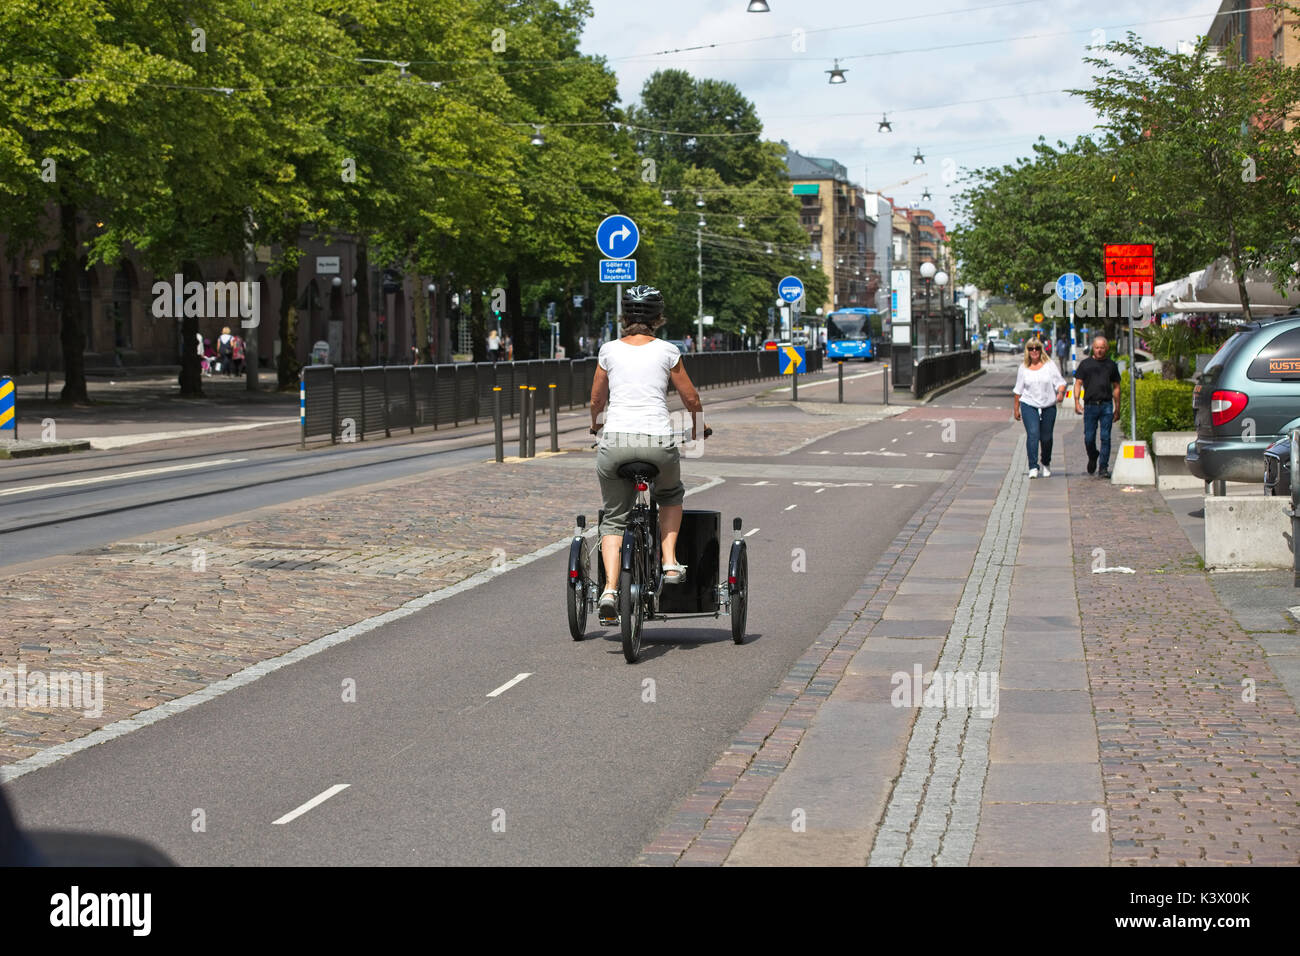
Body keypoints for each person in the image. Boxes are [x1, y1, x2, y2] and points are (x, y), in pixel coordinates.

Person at [590, 285, 707, 623]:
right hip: (658, 442)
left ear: (624, 317)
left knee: (613, 518)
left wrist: (596, 427)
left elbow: (597, 401)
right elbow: (692, 399)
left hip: (615, 443)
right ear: (658, 318)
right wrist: (698, 429)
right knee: (670, 494)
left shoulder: (608, 350)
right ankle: (670, 561)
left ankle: (610, 589)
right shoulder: (669, 351)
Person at [1012, 340, 1067, 478]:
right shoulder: (1023, 368)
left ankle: (1046, 462)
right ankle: (1033, 466)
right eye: (1031, 348)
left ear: (1041, 350)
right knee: (1033, 434)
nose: (1034, 351)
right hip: (1029, 404)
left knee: (1046, 438)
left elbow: (1060, 382)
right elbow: (1018, 390)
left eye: (1037, 348)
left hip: (1048, 405)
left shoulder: (1049, 365)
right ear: (1027, 351)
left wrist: (1060, 393)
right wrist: (1016, 408)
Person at [1074, 335, 1122, 478]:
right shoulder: (1085, 364)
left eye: (1102, 347)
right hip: (1090, 406)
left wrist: (1117, 407)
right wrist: (1076, 402)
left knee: (1105, 437)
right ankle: (1093, 455)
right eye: (1097, 347)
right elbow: (1078, 383)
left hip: (1106, 405)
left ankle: (1103, 467)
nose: (1099, 350)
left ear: (1106, 348)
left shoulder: (1111, 365)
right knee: (1089, 438)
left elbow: (1116, 387)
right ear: (1093, 348)